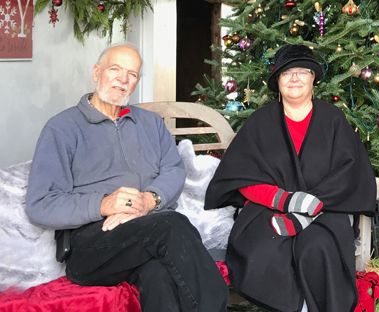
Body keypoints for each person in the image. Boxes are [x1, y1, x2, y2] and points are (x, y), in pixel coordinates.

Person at [25, 43, 228, 312]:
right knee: (172, 225)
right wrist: (103, 205)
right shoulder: (62, 128)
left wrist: (149, 200)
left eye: (132, 74)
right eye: (115, 69)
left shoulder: (151, 123)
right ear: (96, 72)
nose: (123, 80)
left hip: (147, 230)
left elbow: (173, 170)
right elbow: (40, 204)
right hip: (93, 243)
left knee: (158, 275)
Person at [205, 43, 377, 312]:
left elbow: (350, 173)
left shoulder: (333, 119)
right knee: (267, 249)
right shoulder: (261, 121)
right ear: (278, 82)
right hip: (269, 211)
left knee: (317, 249)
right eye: (287, 73)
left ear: (313, 79)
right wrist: (286, 201)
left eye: (302, 72)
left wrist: (309, 208)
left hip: (325, 210)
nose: (294, 78)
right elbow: (242, 176)